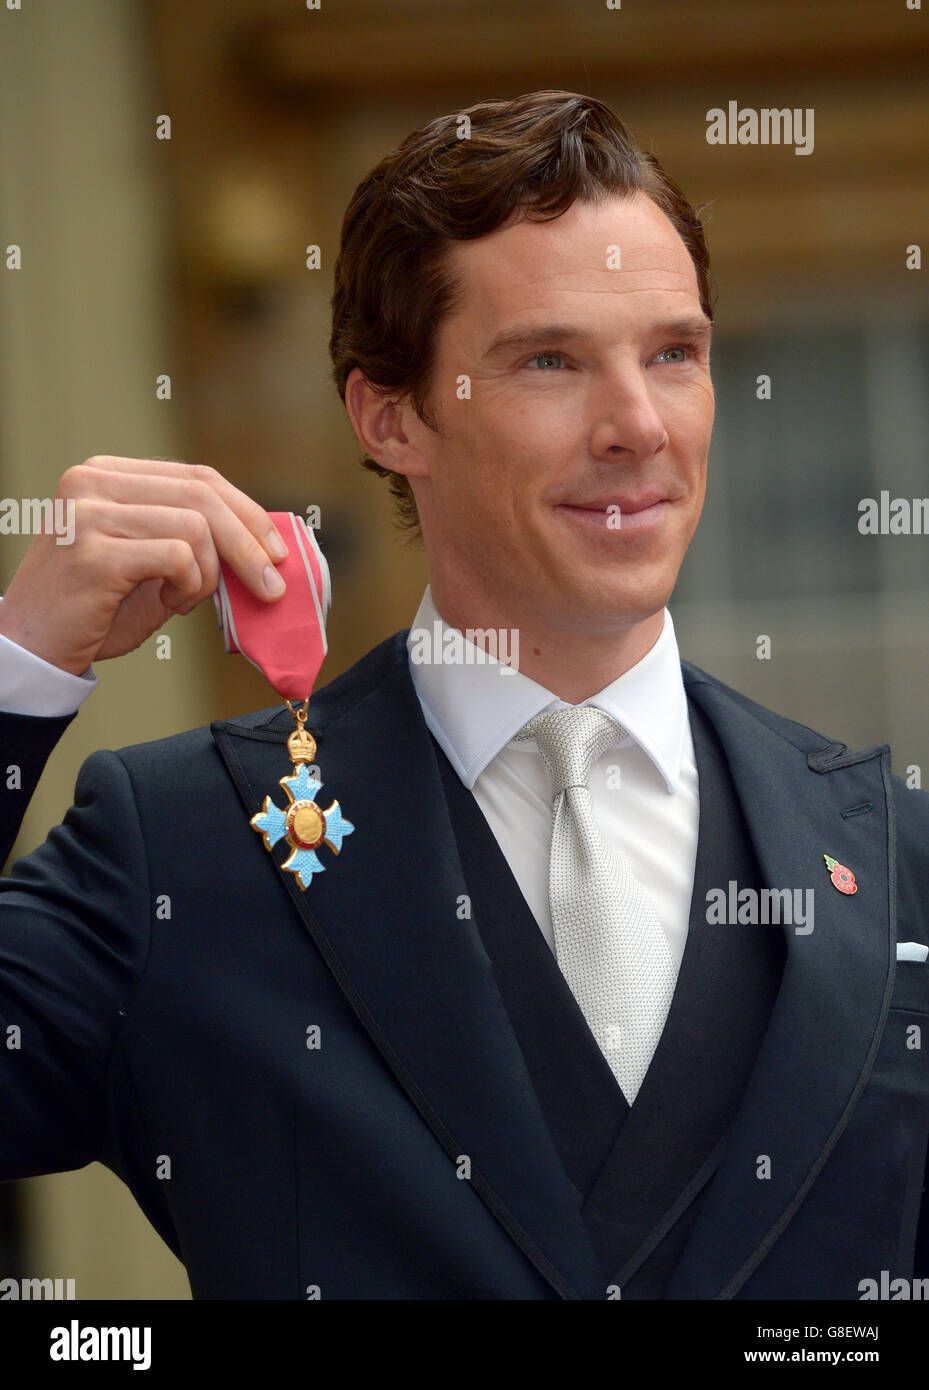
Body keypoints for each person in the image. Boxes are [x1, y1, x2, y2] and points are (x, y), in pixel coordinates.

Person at [1, 90, 927, 1301]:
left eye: (673, 354)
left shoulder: (897, 855)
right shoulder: (179, 845)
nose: (637, 426)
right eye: (548, 360)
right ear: (391, 415)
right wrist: (20, 666)